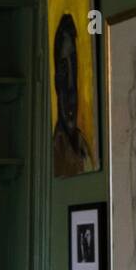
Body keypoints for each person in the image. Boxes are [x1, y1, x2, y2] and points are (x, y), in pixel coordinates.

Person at [52, 13, 95, 176]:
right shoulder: (58, 148)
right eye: (63, 67)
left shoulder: (83, 146)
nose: (71, 86)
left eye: (73, 64)